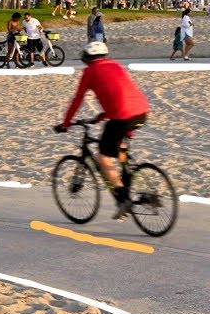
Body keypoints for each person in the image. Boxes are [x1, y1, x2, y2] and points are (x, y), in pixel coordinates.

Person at [54, 42, 150, 219]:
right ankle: (128, 181)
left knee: (103, 158)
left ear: (87, 59)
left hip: (122, 117)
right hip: (141, 112)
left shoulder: (89, 72)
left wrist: (65, 123)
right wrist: (102, 116)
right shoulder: (116, 65)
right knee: (120, 148)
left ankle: (123, 200)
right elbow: (120, 93)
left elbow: (77, 100)